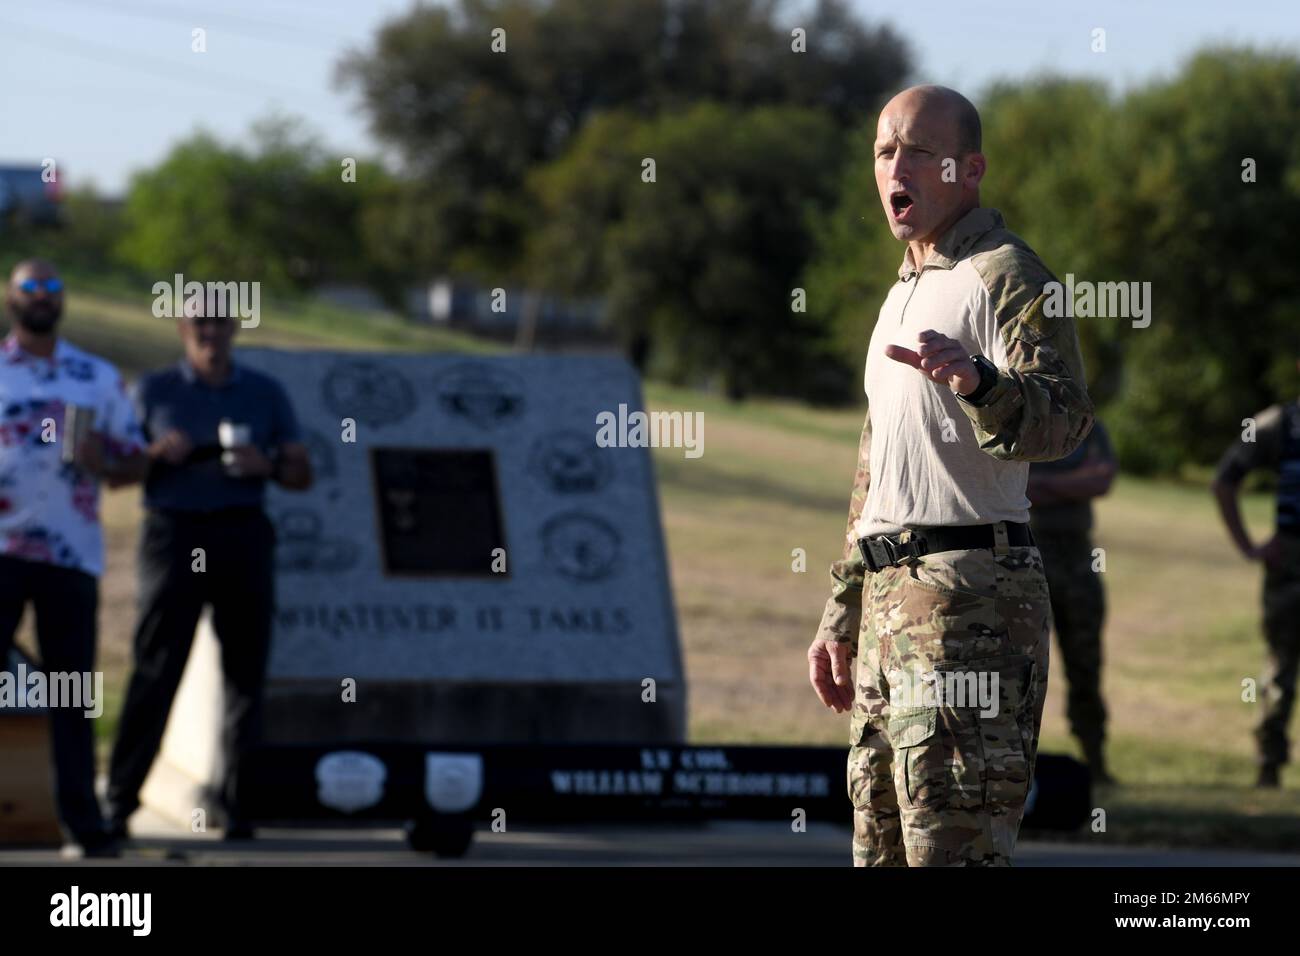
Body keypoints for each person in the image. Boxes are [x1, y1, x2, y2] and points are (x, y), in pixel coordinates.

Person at [806, 86, 1094, 866]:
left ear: (970, 169)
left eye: (915, 151)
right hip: (888, 606)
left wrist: (983, 385)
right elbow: (878, 465)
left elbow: (1065, 421)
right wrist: (844, 605)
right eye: (882, 151)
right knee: (881, 845)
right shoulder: (903, 288)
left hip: (971, 601)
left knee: (953, 849)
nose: (894, 166)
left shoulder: (1007, 273)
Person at [106, 291, 312, 839]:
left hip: (241, 533)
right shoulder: (154, 390)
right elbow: (114, 471)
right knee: (156, 669)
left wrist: (264, 464)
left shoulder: (265, 393)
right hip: (173, 535)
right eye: (199, 321)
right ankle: (120, 803)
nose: (210, 331)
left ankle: (237, 806)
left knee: (245, 675)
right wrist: (153, 456)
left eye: (220, 321)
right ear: (182, 328)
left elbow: (301, 472)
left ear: (234, 328)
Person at [0, 259, 148, 857]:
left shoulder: (97, 376)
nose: (41, 296)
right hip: (1, 549)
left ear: (63, 300)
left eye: (52, 287)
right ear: (11, 298)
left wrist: (103, 460)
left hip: (70, 554)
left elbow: (135, 465)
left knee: (69, 693)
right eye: (29, 287)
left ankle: (84, 827)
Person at [1211, 366, 1300, 788]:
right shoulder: (1278, 424)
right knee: (1281, 666)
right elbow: (1225, 479)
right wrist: (1249, 547)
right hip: (1291, 561)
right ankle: (1269, 767)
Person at [1027, 418, 1118, 784]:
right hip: (1027, 558)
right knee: (1023, 671)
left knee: (1086, 665)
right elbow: (1008, 487)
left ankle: (1095, 762)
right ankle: (1017, 767)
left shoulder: (1085, 424)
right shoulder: (1015, 418)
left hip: (1079, 560)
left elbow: (1102, 479)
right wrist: (1072, 485)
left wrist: (1042, 484)